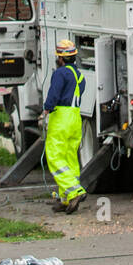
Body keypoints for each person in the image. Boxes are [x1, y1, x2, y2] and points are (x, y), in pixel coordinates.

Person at [43, 38, 86, 214]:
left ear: (60, 58)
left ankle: (74, 190)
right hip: (75, 117)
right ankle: (66, 198)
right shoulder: (80, 76)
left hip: (61, 118)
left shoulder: (60, 73)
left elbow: (54, 94)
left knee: (54, 156)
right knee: (70, 159)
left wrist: (46, 110)